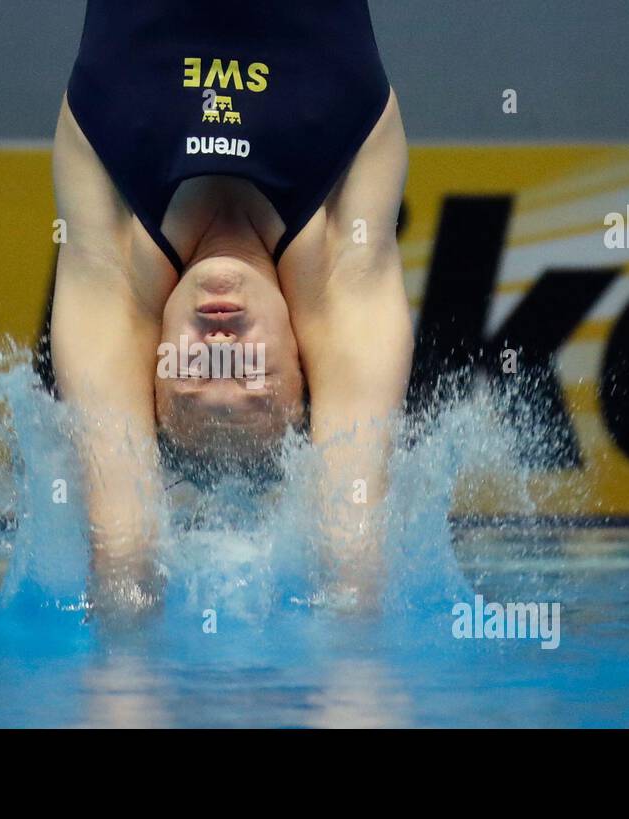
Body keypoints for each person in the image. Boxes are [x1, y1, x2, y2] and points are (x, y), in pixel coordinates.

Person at [49, 0, 412, 611]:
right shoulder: (338, 250)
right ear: (304, 367)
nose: (222, 346)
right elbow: (352, 563)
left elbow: (122, 558)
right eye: (251, 372)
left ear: (151, 375)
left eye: (195, 371)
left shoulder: (115, 251)